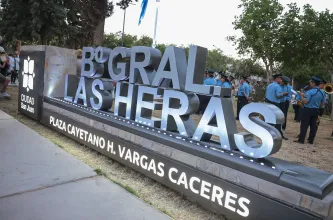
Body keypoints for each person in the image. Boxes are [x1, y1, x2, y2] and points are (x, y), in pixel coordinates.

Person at [294, 76, 326, 144]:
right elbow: (323, 103)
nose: (310, 83)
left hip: (308, 110)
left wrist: (301, 96)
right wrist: (318, 106)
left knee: (304, 125)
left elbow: (306, 102)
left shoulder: (310, 92)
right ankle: (311, 141)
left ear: (314, 83)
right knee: (313, 126)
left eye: (311, 82)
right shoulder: (322, 92)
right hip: (316, 110)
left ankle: (301, 140)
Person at [265, 73, 289, 140]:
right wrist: (284, 93)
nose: (281, 80)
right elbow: (278, 96)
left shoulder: (269, 85)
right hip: (275, 104)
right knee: (278, 120)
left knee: (269, 118)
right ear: (277, 79)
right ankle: (278, 134)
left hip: (268, 103)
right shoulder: (277, 86)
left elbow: (266, 95)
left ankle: (267, 133)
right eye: (280, 78)